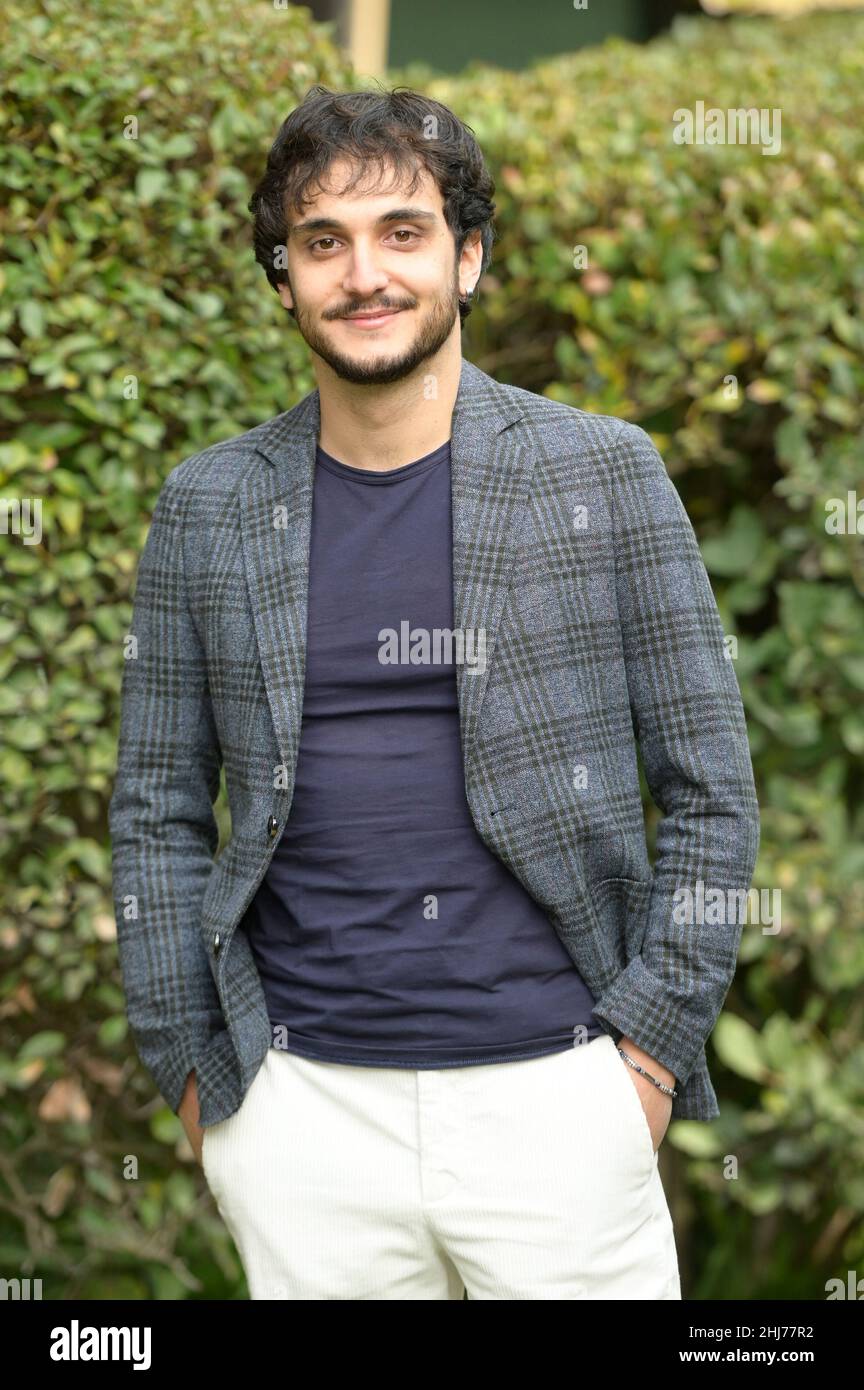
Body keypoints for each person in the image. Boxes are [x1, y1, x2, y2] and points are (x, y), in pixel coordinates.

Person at [108, 85, 760, 1300]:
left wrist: (648, 1059)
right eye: (323, 242)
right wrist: (199, 1076)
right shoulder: (209, 504)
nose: (364, 274)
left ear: (468, 258)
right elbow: (154, 805)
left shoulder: (606, 475)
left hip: (563, 1101)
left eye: (402, 232)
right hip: (301, 1114)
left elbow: (712, 790)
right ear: (285, 275)